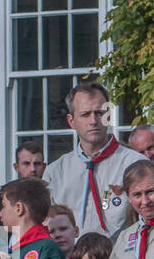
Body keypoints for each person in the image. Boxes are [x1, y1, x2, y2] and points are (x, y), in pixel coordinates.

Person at [44, 82, 145, 237]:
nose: (93, 121)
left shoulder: (135, 164)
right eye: (85, 114)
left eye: (99, 113)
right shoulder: (55, 172)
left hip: (120, 256)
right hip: (71, 258)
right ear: (71, 121)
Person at [0, 141, 46, 228]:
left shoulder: (53, 196)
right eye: (26, 164)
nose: (32, 169)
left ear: (44, 167)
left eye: (37, 164)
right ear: (16, 167)